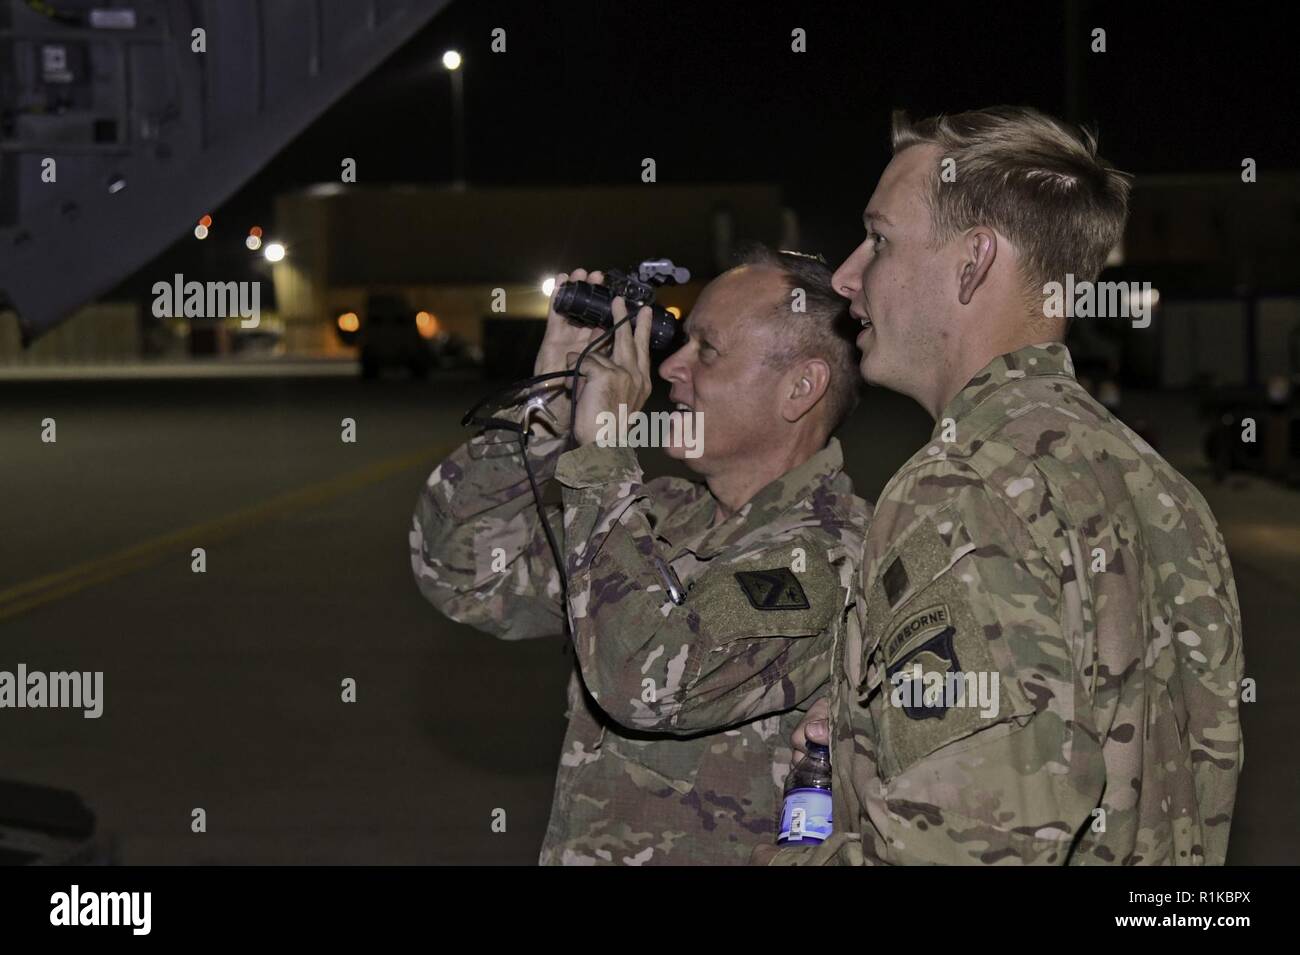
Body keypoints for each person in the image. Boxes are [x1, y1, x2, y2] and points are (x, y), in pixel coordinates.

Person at [760, 106, 1244, 866]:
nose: (848, 275)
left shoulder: (960, 487)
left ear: (973, 261)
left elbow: (966, 852)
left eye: (880, 239)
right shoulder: (1159, 485)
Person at [411, 248, 870, 864]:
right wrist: (547, 411)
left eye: (707, 349)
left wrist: (602, 457)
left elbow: (646, 684)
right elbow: (462, 572)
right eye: (679, 343)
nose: (672, 367)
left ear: (800, 387)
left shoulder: (829, 556)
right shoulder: (657, 514)